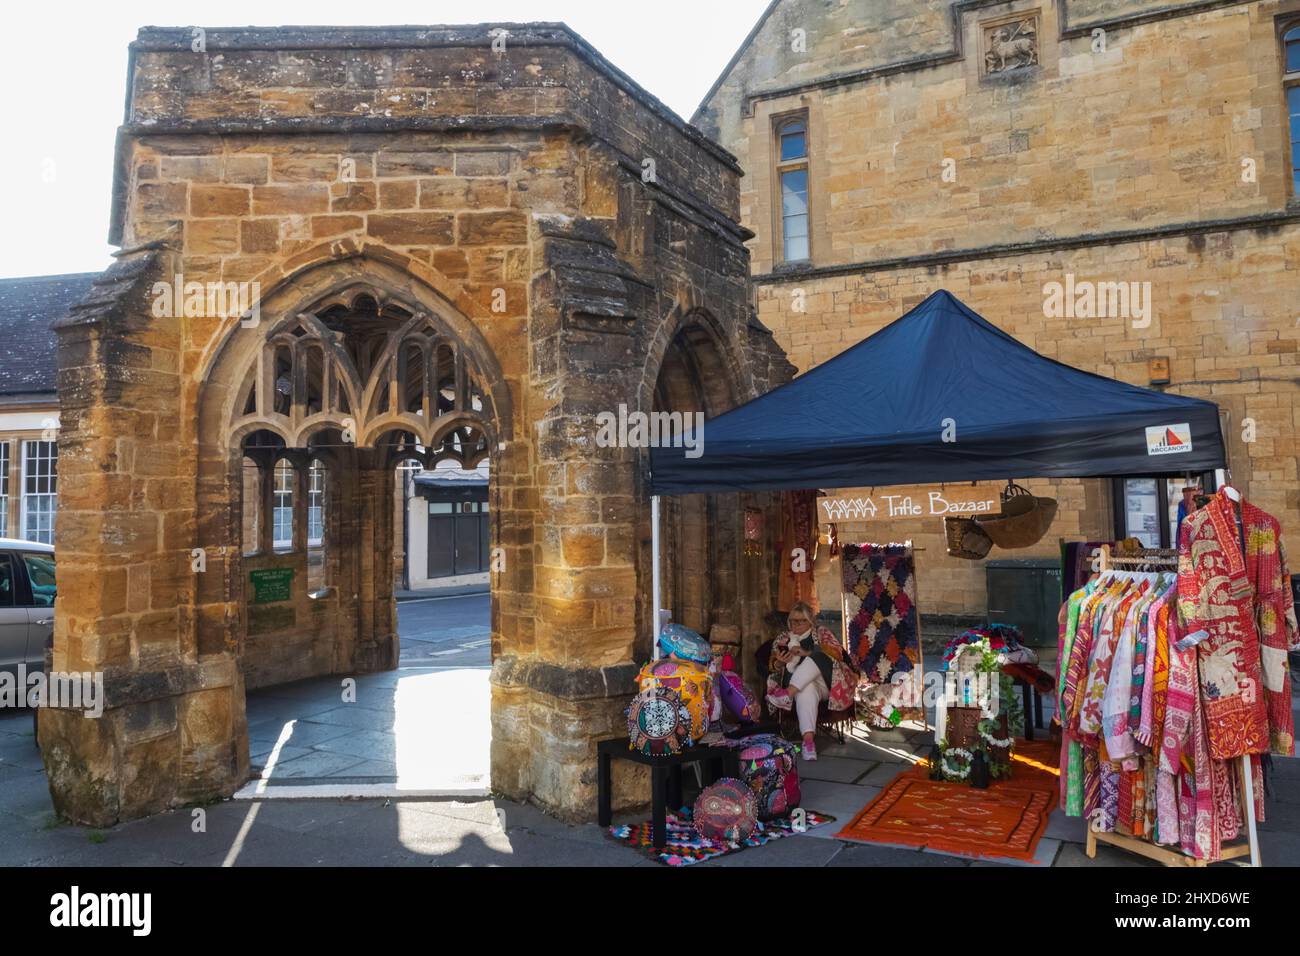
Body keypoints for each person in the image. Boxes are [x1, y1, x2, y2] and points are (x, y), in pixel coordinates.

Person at [764, 601, 858, 761]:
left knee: (816, 657)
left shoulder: (822, 633)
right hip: (797, 684)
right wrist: (780, 662)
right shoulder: (783, 638)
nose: (797, 624)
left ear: (811, 622)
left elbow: (837, 654)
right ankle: (808, 742)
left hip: (825, 683)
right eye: (793, 620)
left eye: (802, 621)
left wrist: (806, 653)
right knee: (805, 690)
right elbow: (773, 666)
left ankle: (787, 694)